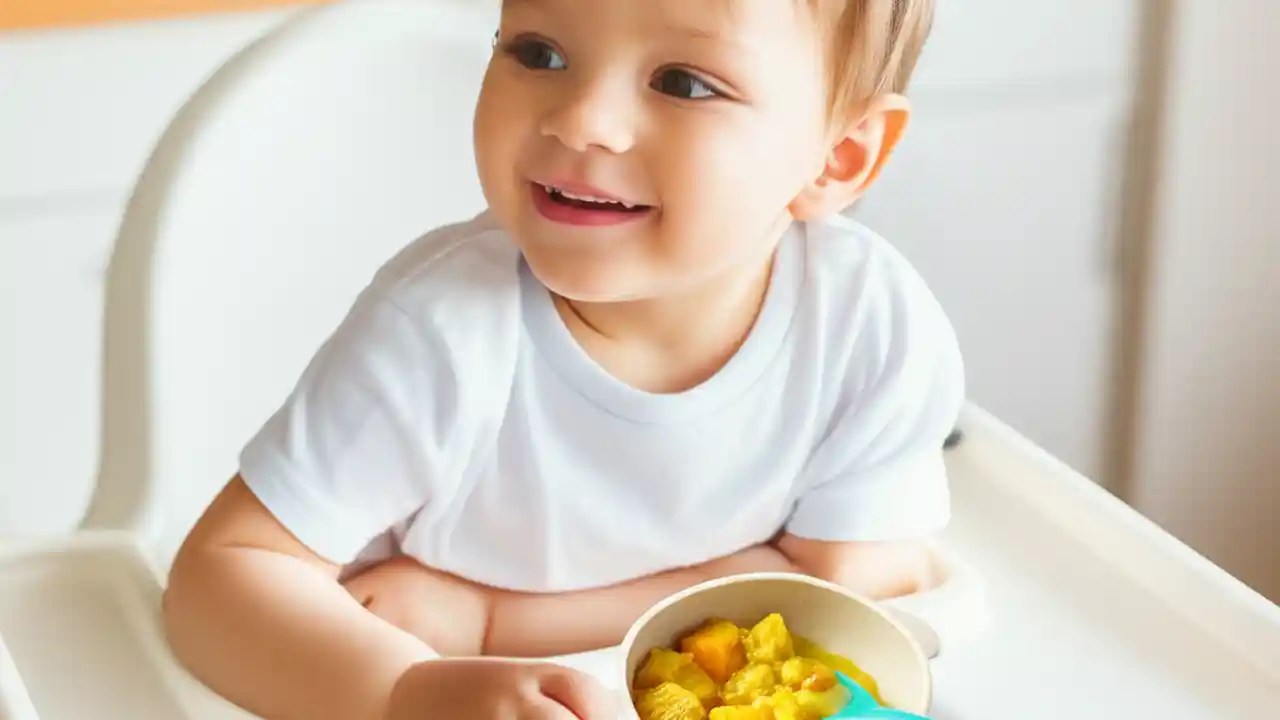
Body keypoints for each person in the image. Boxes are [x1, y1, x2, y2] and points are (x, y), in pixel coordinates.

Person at [162, 0, 962, 718]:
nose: (582, 121)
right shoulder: (440, 336)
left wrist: (489, 619)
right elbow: (218, 582)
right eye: (539, 52)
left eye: (682, 82)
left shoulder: (867, 323)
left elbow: (839, 597)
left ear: (840, 155)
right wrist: (401, 689)